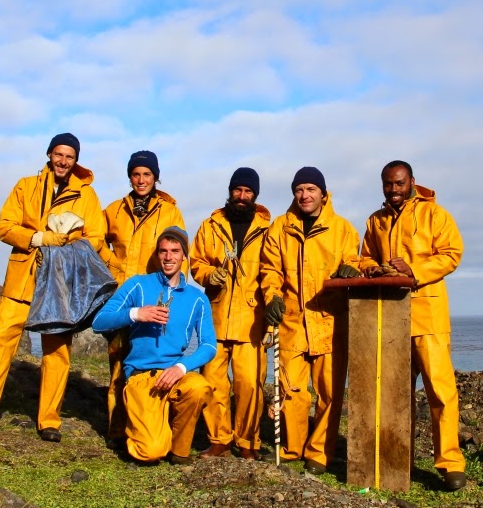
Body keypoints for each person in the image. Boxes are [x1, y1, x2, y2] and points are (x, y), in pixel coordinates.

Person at [0, 133, 104, 443]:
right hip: (22, 278)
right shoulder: (26, 185)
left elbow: (96, 237)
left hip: (59, 285)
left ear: (76, 161)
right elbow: (5, 226)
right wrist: (39, 238)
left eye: (69, 156)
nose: (63, 161)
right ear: (50, 154)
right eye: (58, 154)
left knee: (56, 351)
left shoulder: (88, 196)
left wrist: (67, 244)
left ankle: (49, 421)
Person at [359, 160, 466, 491]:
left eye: (399, 183)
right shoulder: (374, 221)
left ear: (412, 183)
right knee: (394, 395)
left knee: (440, 392)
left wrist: (413, 270)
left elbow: (452, 253)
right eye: (388, 184)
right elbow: (364, 258)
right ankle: (396, 459)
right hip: (390, 319)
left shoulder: (436, 215)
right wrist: (374, 269)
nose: (393, 190)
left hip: (428, 317)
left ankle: (450, 464)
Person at [259, 167, 361, 475]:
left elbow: (355, 260)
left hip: (330, 320)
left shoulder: (343, 229)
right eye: (299, 190)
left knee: (329, 392)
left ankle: (319, 453)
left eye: (311, 190)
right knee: (291, 390)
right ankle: (293, 448)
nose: (304, 195)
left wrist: (350, 269)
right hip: (291, 321)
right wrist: (272, 297)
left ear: (323, 194)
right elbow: (269, 270)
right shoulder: (279, 228)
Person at [92, 226, 216, 464]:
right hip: (141, 376)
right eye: (163, 251)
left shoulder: (197, 298)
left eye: (175, 251)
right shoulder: (137, 285)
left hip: (174, 375)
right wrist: (137, 313)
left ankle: (179, 451)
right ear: (157, 255)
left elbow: (209, 345)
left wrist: (181, 367)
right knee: (150, 453)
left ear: (184, 256)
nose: (168, 257)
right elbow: (99, 322)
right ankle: (142, 424)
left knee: (199, 387)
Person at [99, 151, 186, 447]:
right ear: (130, 177)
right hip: (123, 298)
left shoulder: (170, 212)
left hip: (156, 298)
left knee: (151, 361)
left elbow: (178, 250)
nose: (141, 180)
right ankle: (116, 429)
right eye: (136, 174)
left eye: (147, 174)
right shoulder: (114, 210)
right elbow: (95, 241)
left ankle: (154, 425)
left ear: (155, 177)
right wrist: (112, 264)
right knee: (118, 364)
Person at [190, 167, 271, 461]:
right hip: (216, 314)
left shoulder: (268, 229)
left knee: (250, 383)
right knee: (213, 380)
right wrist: (209, 274)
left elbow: (274, 270)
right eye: (237, 190)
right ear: (230, 191)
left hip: (252, 319)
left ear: (255, 195)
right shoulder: (210, 225)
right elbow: (195, 261)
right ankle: (219, 440)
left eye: (248, 191)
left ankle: (248, 441)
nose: (241, 196)